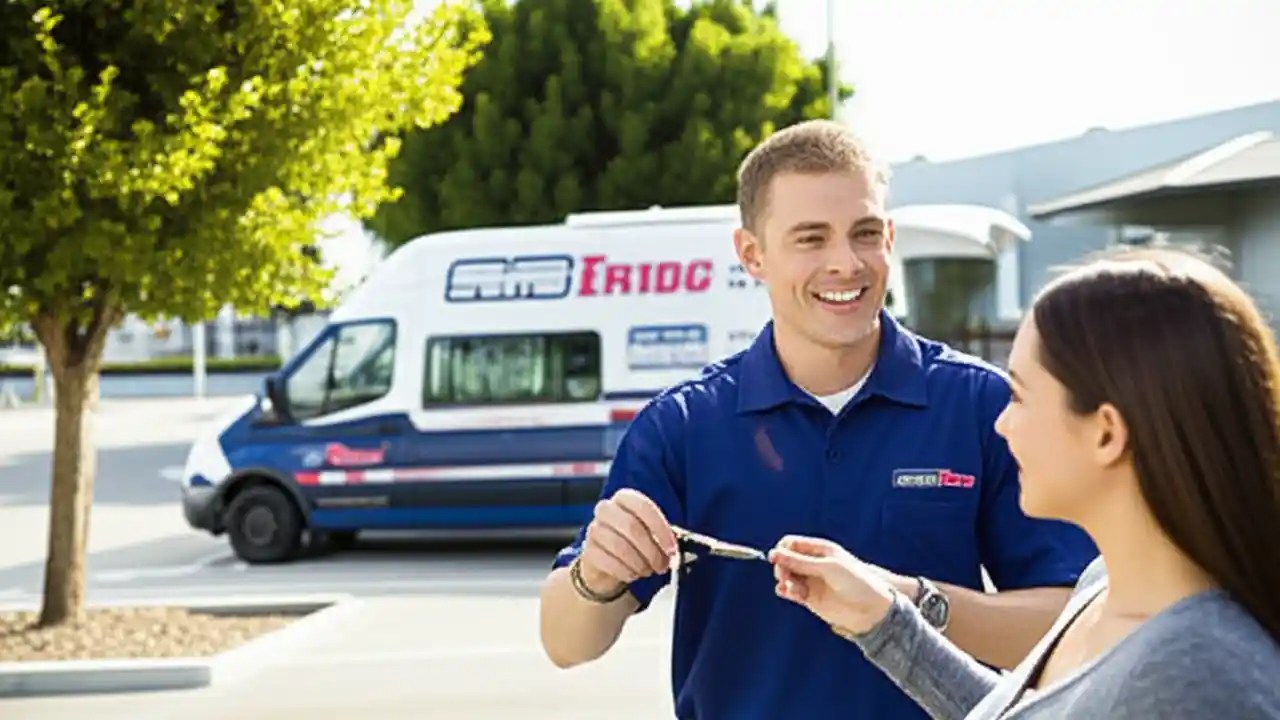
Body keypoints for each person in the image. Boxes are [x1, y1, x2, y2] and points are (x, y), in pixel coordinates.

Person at [537, 119, 1097, 719]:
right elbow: (566, 644)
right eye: (811, 238)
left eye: (863, 234)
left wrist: (907, 604)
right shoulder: (683, 426)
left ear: (889, 236)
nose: (845, 263)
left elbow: (1074, 628)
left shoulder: (983, 408)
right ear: (752, 254)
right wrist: (597, 575)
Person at [770, 245, 1280, 718]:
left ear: (1106, 433)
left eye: (1018, 396)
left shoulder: (1201, 674)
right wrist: (884, 620)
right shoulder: (1101, 585)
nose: (1001, 423)